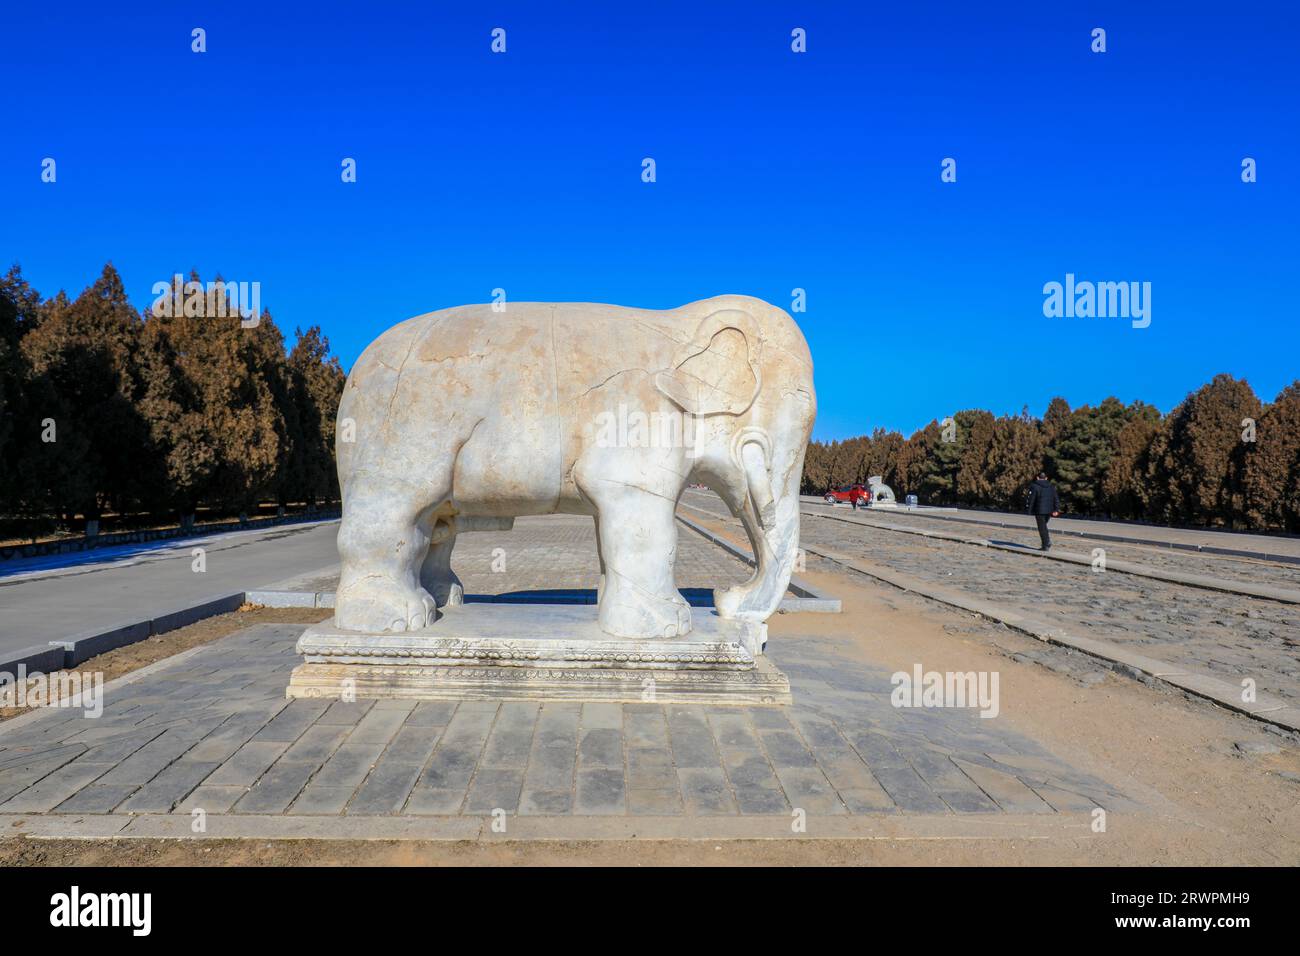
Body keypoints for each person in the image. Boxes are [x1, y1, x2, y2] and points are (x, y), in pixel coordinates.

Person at [1026, 472, 1060, 550]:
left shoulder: (1034, 486)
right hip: (1049, 510)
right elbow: (1056, 498)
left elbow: (1031, 499)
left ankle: (1046, 543)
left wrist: (1029, 510)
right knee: (1044, 527)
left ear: (1037, 478)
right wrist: (1056, 509)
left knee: (1042, 528)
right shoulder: (1051, 486)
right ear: (1046, 478)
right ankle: (1045, 543)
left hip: (1039, 510)